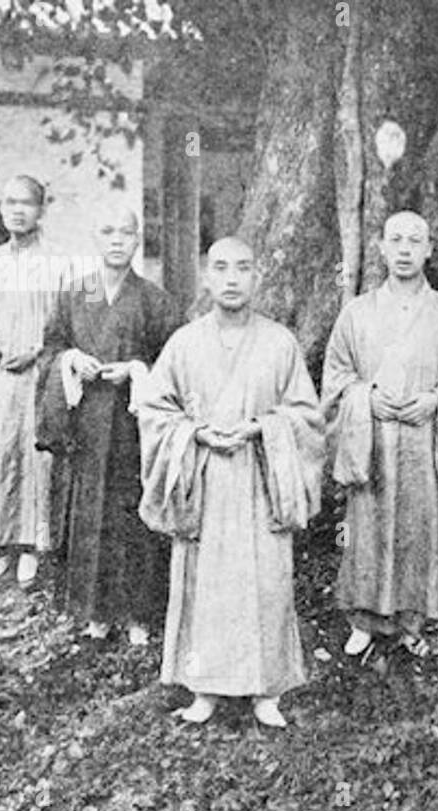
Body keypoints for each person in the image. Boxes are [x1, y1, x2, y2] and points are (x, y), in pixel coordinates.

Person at [138, 236, 325, 727]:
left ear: (256, 276)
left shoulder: (280, 342)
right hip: (204, 480)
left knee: (264, 581)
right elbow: (156, 411)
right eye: (220, 268)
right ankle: (204, 687)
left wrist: (262, 428)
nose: (231, 279)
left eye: (242, 268)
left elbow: (306, 417)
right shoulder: (184, 342)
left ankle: (267, 689)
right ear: (207, 277)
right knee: (205, 581)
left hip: (261, 481)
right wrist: (194, 433)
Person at [322, 211, 438, 658]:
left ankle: (419, 621)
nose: (404, 250)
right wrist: (364, 398)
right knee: (368, 525)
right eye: (395, 240)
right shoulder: (356, 314)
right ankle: (366, 618)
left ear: (429, 249)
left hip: (426, 442)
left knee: (424, 526)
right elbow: (336, 377)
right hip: (373, 440)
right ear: (380, 247)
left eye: (414, 241)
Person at [36, 206, 179, 645]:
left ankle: (139, 615)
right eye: (107, 231)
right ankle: (95, 614)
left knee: (134, 515)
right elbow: (50, 350)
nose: (117, 240)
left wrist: (137, 369)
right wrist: (70, 360)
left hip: (135, 428)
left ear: (138, 240)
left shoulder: (154, 300)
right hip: (87, 426)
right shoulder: (76, 294)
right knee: (89, 515)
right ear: (95, 238)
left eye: (126, 233)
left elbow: (175, 363)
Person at [0, 175, 64, 598]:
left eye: (27, 203)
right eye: (9, 204)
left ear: (41, 210)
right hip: (1, 381)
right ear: (1, 211)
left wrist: (40, 350)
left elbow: (72, 323)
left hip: (41, 379)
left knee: (36, 457)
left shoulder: (60, 264)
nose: (17, 211)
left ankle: (32, 552)